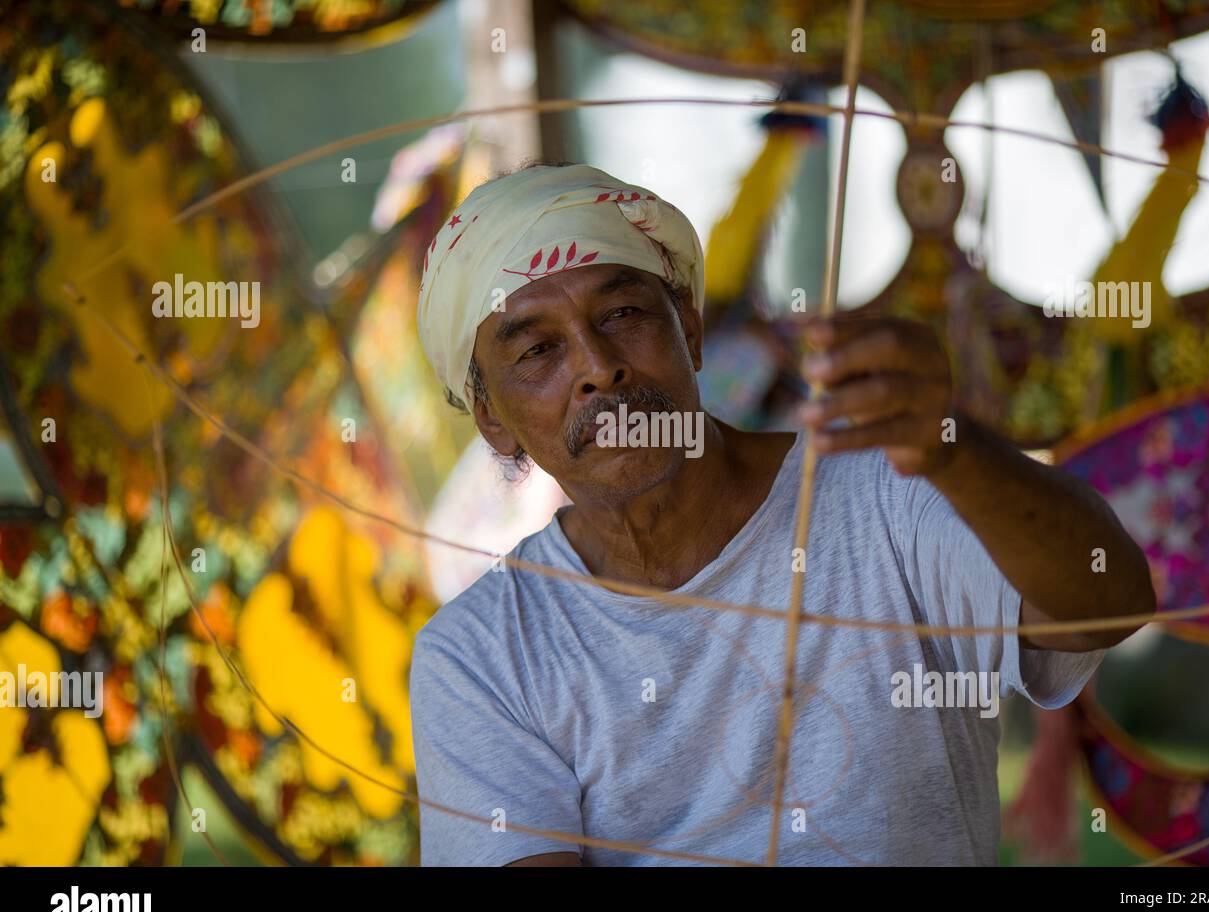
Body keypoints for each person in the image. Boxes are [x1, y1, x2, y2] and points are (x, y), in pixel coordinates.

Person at [409, 161, 1156, 866]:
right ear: (492, 419)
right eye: (539, 349)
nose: (599, 366)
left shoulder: (890, 491)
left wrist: (953, 449)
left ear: (690, 330)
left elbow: (1109, 602)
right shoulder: (480, 656)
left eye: (625, 313)